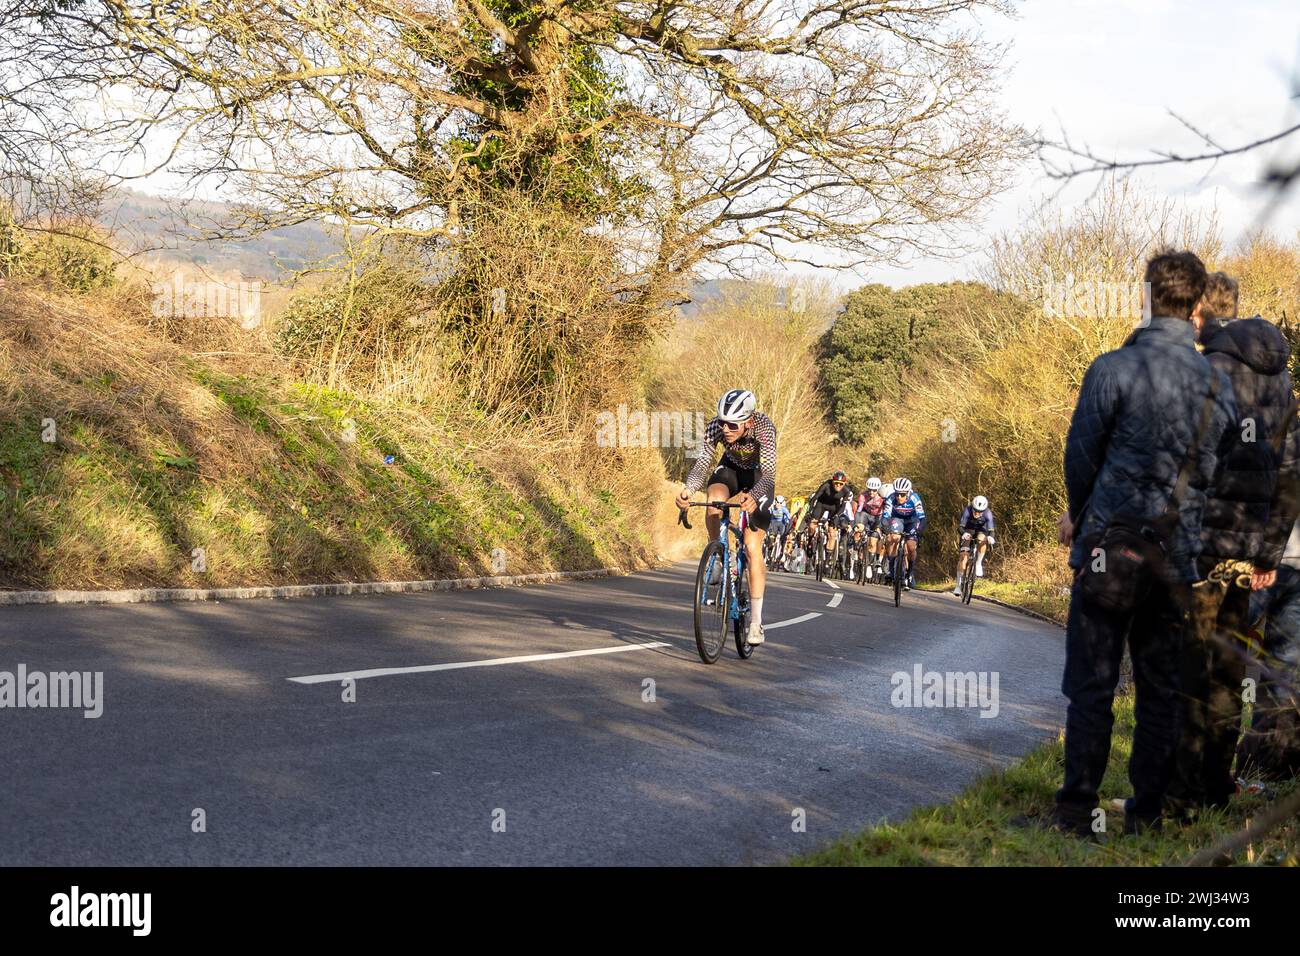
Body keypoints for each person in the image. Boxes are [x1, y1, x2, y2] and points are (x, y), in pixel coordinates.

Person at [1053, 250, 1237, 837]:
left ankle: (1078, 813)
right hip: (1175, 557)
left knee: (1091, 684)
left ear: (1148, 295)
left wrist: (1081, 519)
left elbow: (1079, 457)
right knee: (1160, 687)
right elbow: (1221, 466)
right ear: (1200, 304)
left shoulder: (1110, 369)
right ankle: (1146, 815)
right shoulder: (1217, 385)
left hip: (1108, 546)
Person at [1169, 272, 1300, 813]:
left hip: (1203, 545)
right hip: (1251, 552)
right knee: (1229, 670)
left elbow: (1183, 463)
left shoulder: (1204, 372)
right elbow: (1291, 474)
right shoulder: (1280, 380)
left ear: (1200, 313)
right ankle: (1218, 785)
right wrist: (1268, 553)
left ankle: (1179, 793)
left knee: (1189, 667)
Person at [676, 389, 778, 645]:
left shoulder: (764, 428)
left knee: (752, 546)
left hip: (758, 477)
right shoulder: (716, 427)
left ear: (748, 422)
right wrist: (688, 490)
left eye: (732, 424)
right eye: (722, 422)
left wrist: (753, 495)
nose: (726, 429)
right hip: (730, 469)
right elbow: (702, 464)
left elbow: (769, 474)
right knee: (714, 503)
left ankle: (755, 622)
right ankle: (718, 556)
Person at [806, 471, 856, 570]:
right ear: (832, 482)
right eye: (836, 483)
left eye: (840, 484)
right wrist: (809, 511)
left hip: (835, 507)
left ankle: (827, 561)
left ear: (844, 484)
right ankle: (811, 541)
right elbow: (815, 498)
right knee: (812, 525)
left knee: (832, 533)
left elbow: (843, 506)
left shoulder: (846, 491)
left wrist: (837, 516)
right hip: (822, 504)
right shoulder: (826, 485)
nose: (838, 485)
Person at [883, 477, 925, 589]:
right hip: (897, 519)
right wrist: (885, 527)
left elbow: (922, 518)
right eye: (897, 494)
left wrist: (920, 530)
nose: (899, 497)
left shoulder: (915, 498)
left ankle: (910, 572)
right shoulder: (891, 498)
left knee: (911, 547)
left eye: (902, 494)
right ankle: (891, 570)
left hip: (912, 521)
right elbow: (885, 516)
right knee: (893, 538)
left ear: (908, 493)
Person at [952, 495, 995, 596]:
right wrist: (963, 534)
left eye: (980, 512)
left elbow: (991, 530)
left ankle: (978, 563)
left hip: (981, 530)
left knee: (982, 539)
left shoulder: (988, 513)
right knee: (963, 557)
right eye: (975, 510)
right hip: (968, 530)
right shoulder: (966, 510)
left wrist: (991, 537)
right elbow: (960, 527)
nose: (977, 513)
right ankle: (958, 585)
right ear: (972, 507)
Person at [855, 477, 887, 580]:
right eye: (869, 490)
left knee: (873, 542)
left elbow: (886, 511)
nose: (871, 492)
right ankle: (858, 545)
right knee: (859, 525)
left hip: (878, 517)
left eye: (874, 490)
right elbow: (859, 510)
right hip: (866, 515)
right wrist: (858, 523)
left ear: (878, 490)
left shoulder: (882, 497)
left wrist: (883, 526)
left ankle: (870, 564)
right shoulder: (863, 496)